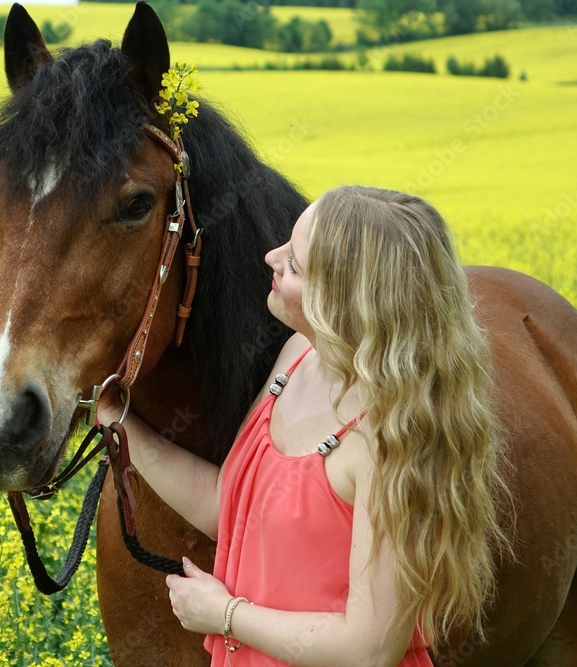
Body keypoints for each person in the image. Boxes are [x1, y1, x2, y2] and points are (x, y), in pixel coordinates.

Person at [97, 185, 510, 667]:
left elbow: (370, 649)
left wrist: (224, 614)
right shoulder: (297, 358)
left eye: (294, 264)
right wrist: (119, 421)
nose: (271, 258)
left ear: (344, 302)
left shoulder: (388, 440)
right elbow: (227, 506)